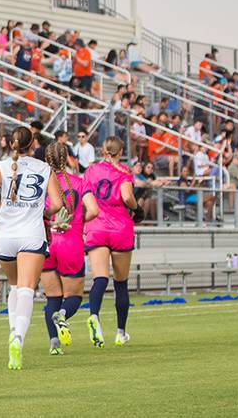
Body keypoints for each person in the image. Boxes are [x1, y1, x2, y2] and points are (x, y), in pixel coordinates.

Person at [0, 126, 64, 370]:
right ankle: (18, 337)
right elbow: (58, 203)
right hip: (31, 234)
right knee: (28, 289)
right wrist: (44, 212)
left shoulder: (0, 166)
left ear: (9, 144)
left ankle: (12, 331)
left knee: (15, 285)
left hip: (6, 235)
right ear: (33, 144)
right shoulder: (44, 168)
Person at [40, 142, 99, 355]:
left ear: (46, 160)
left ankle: (54, 343)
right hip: (71, 241)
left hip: (47, 241)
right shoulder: (79, 182)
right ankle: (63, 315)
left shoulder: (41, 182)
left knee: (52, 296)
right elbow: (94, 209)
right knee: (73, 295)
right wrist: (79, 221)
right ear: (67, 159)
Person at [82, 137, 140, 349]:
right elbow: (126, 197)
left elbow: (85, 196)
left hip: (97, 227)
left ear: (103, 150)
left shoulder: (91, 170)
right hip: (120, 228)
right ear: (121, 150)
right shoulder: (124, 172)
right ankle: (120, 332)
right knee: (121, 282)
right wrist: (137, 208)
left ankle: (94, 315)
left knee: (100, 278)